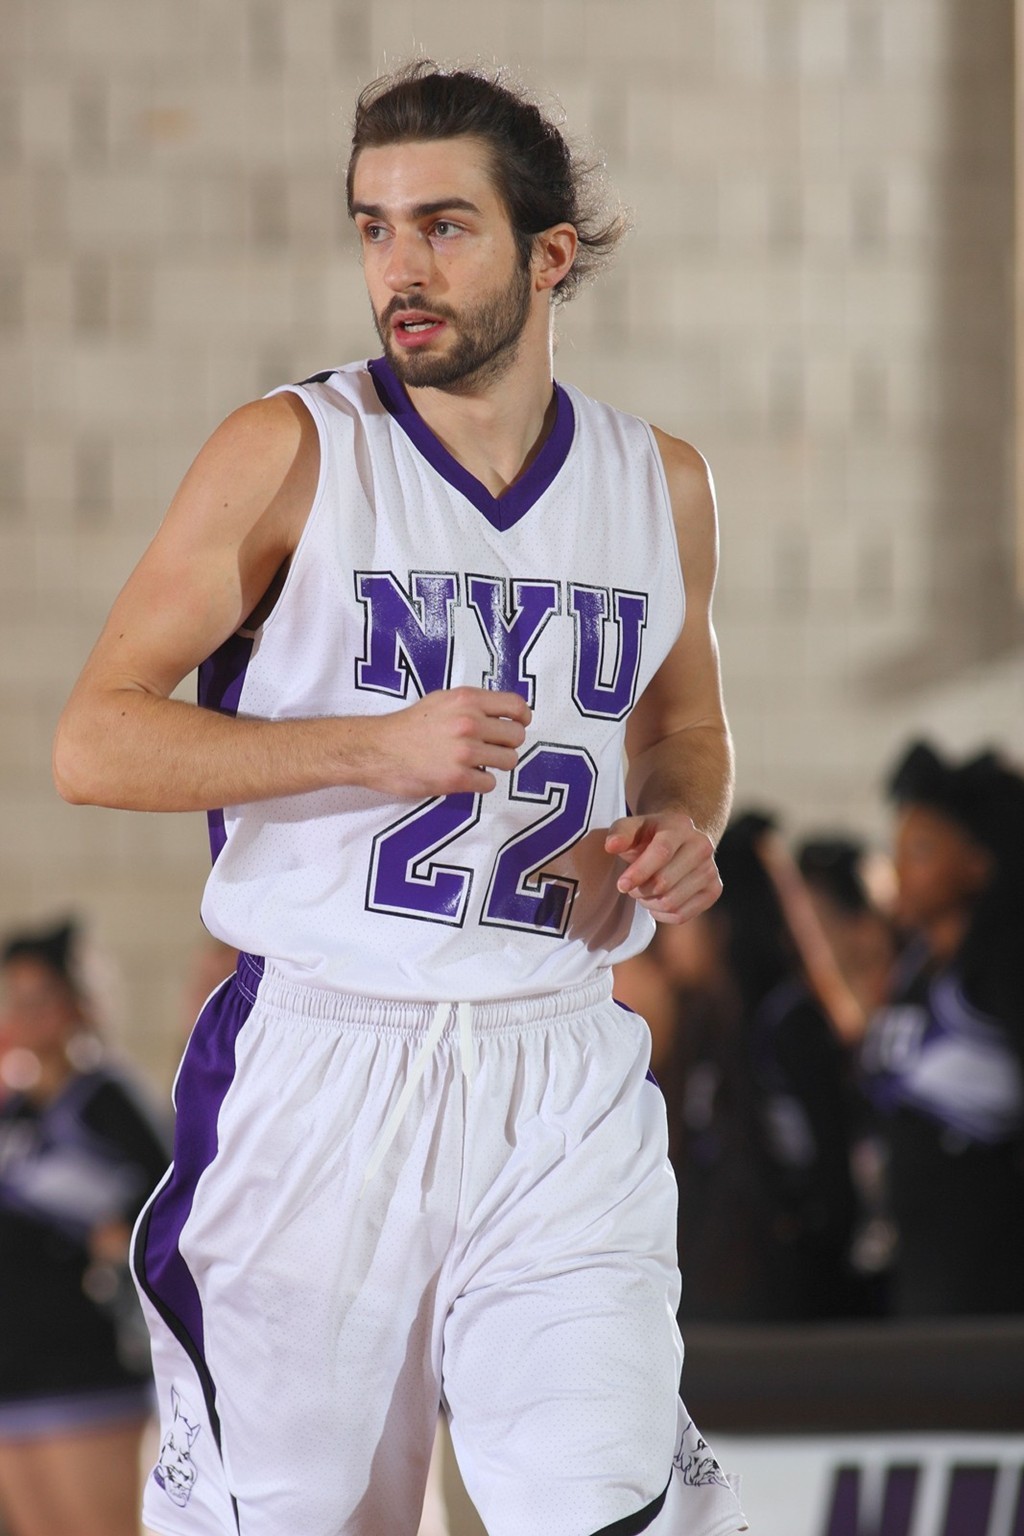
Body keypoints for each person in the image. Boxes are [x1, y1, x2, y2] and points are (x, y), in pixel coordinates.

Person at [53, 62, 747, 1536]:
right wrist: (365, 750)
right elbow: (97, 743)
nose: (398, 270)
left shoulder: (658, 482)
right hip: (322, 1072)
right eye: (372, 228)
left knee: (598, 1497)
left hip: (556, 1062)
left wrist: (681, 824)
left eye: (443, 227)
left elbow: (686, 730)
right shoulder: (291, 450)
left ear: (548, 255)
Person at [658, 814, 864, 1323]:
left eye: (681, 914)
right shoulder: (706, 1024)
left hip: (782, 1301)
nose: (667, 936)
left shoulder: (790, 1022)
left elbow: (835, 1179)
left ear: (722, 920)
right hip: (712, 1294)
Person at [0, 919, 170, 1536]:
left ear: (77, 1001)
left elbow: (168, 1206)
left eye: (40, 996)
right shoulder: (14, 1111)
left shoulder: (108, 1097)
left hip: (86, 1364)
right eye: (15, 997)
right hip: (12, 1371)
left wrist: (123, 1235)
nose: (26, 1013)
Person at [860, 740, 1024, 1316]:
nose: (901, 869)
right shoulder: (910, 970)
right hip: (915, 1256)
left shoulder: (1001, 966)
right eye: (896, 850)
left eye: (922, 850)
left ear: (981, 862)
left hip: (989, 1263)